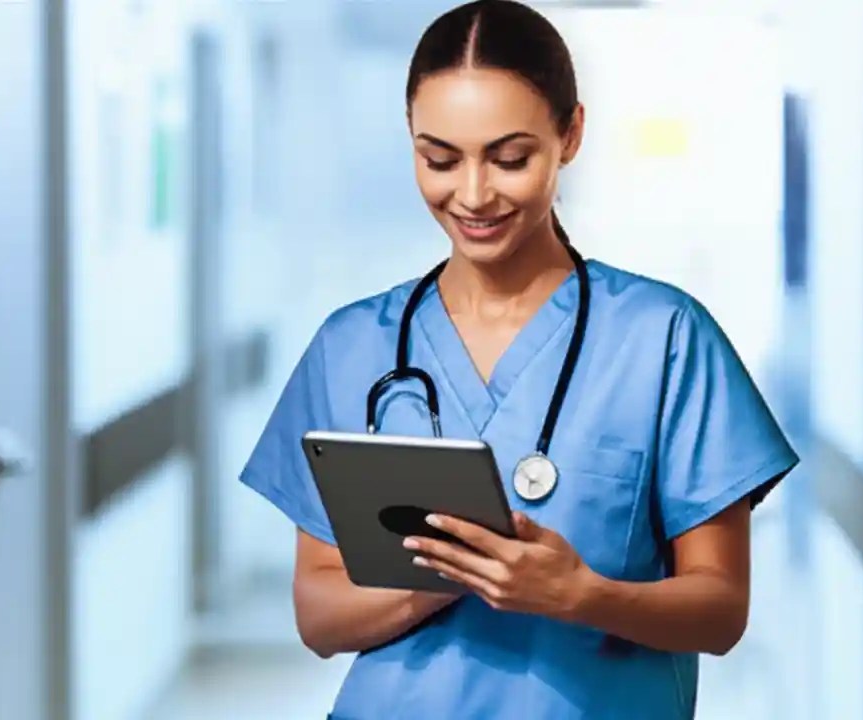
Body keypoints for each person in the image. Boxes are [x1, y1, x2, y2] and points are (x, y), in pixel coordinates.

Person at [237, 1, 799, 717]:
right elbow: (317, 614)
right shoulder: (352, 346)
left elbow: (719, 609)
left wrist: (577, 595)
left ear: (570, 136)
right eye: (439, 158)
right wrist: (442, 576)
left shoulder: (665, 338)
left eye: (509, 158)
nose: (471, 194)